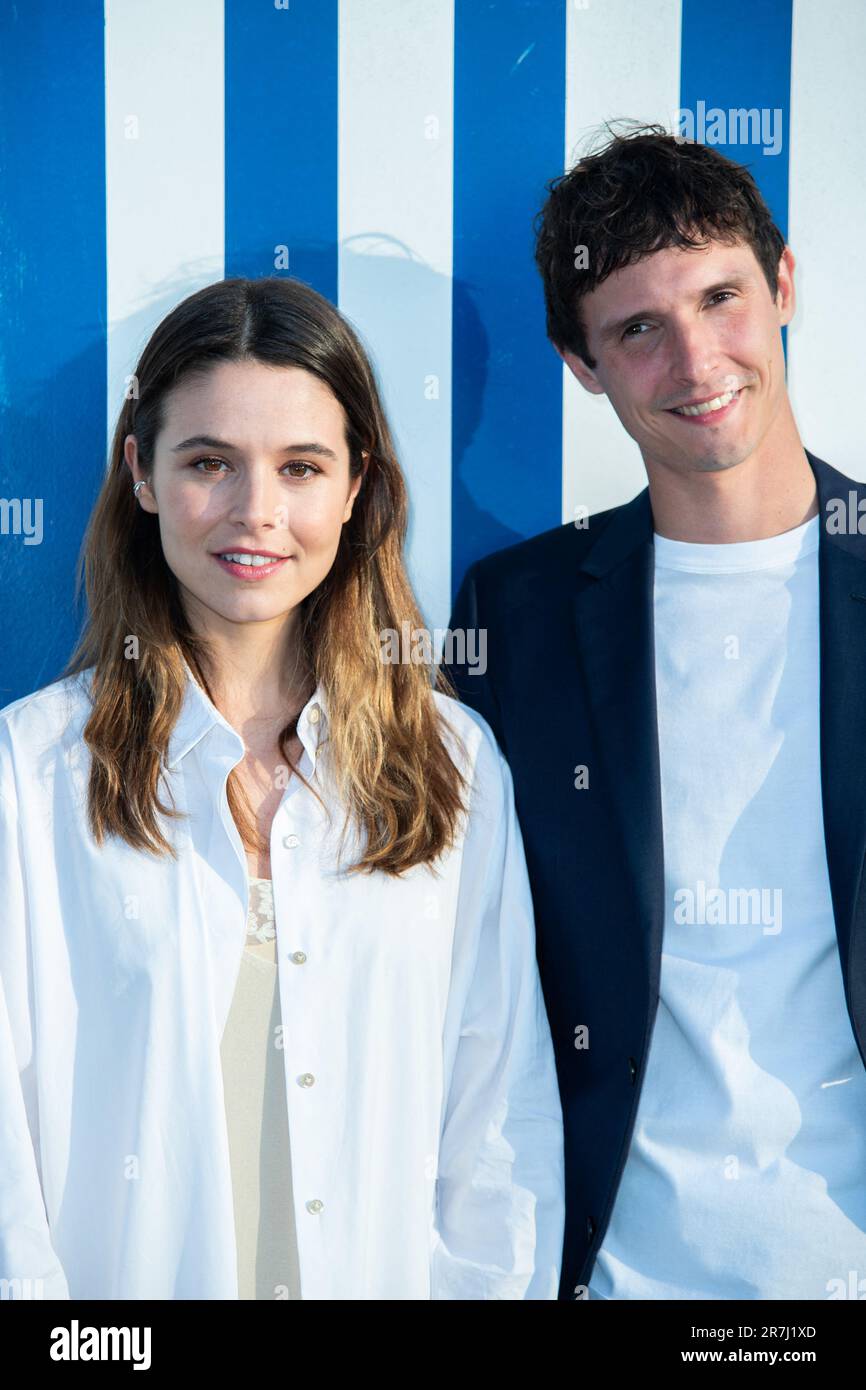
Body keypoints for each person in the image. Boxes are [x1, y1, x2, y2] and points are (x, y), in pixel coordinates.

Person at [0, 275, 564, 1301]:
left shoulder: (453, 761)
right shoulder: (29, 775)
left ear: (355, 488)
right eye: (209, 461)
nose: (256, 512)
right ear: (140, 473)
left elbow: (498, 1119)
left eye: (300, 466)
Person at [447, 123, 866, 1301]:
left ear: (781, 287)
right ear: (581, 364)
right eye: (637, 329)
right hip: (610, 1279)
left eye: (720, 298)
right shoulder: (513, 614)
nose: (694, 362)